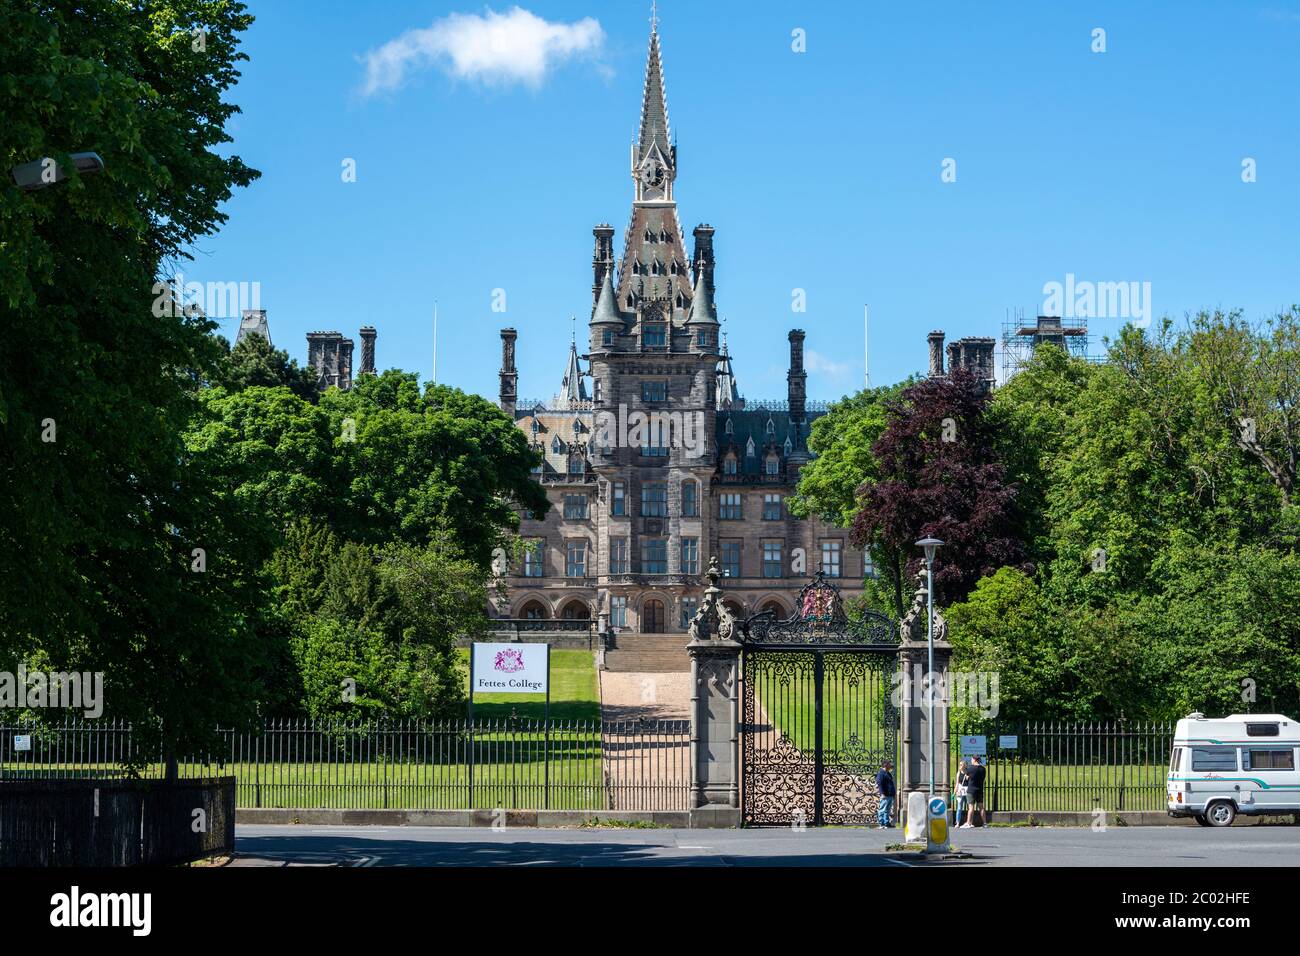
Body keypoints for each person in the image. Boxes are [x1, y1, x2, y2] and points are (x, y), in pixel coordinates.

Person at [961, 754, 986, 828]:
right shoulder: (983, 769)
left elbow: (967, 777)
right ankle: (985, 823)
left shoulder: (970, 768)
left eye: (972, 759)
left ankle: (968, 823)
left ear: (974, 759)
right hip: (980, 790)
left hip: (971, 790)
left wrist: (968, 777)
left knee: (971, 807)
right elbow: (983, 778)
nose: (971, 761)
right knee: (981, 807)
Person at [875, 760, 896, 829]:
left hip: (890, 794)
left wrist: (893, 793)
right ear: (886, 765)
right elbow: (880, 784)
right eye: (890, 764)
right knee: (882, 809)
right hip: (885, 795)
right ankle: (881, 823)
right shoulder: (881, 773)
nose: (891, 766)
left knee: (887, 810)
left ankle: (886, 823)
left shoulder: (888, 773)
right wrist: (882, 793)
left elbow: (891, 784)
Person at [954, 760, 969, 826]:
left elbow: (970, 782)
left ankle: (969, 822)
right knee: (959, 807)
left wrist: (968, 778)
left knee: (969, 807)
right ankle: (957, 823)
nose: (960, 766)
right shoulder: (958, 773)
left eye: (961, 765)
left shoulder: (968, 772)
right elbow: (957, 783)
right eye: (959, 764)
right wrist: (955, 791)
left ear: (965, 765)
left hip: (967, 790)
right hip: (960, 790)